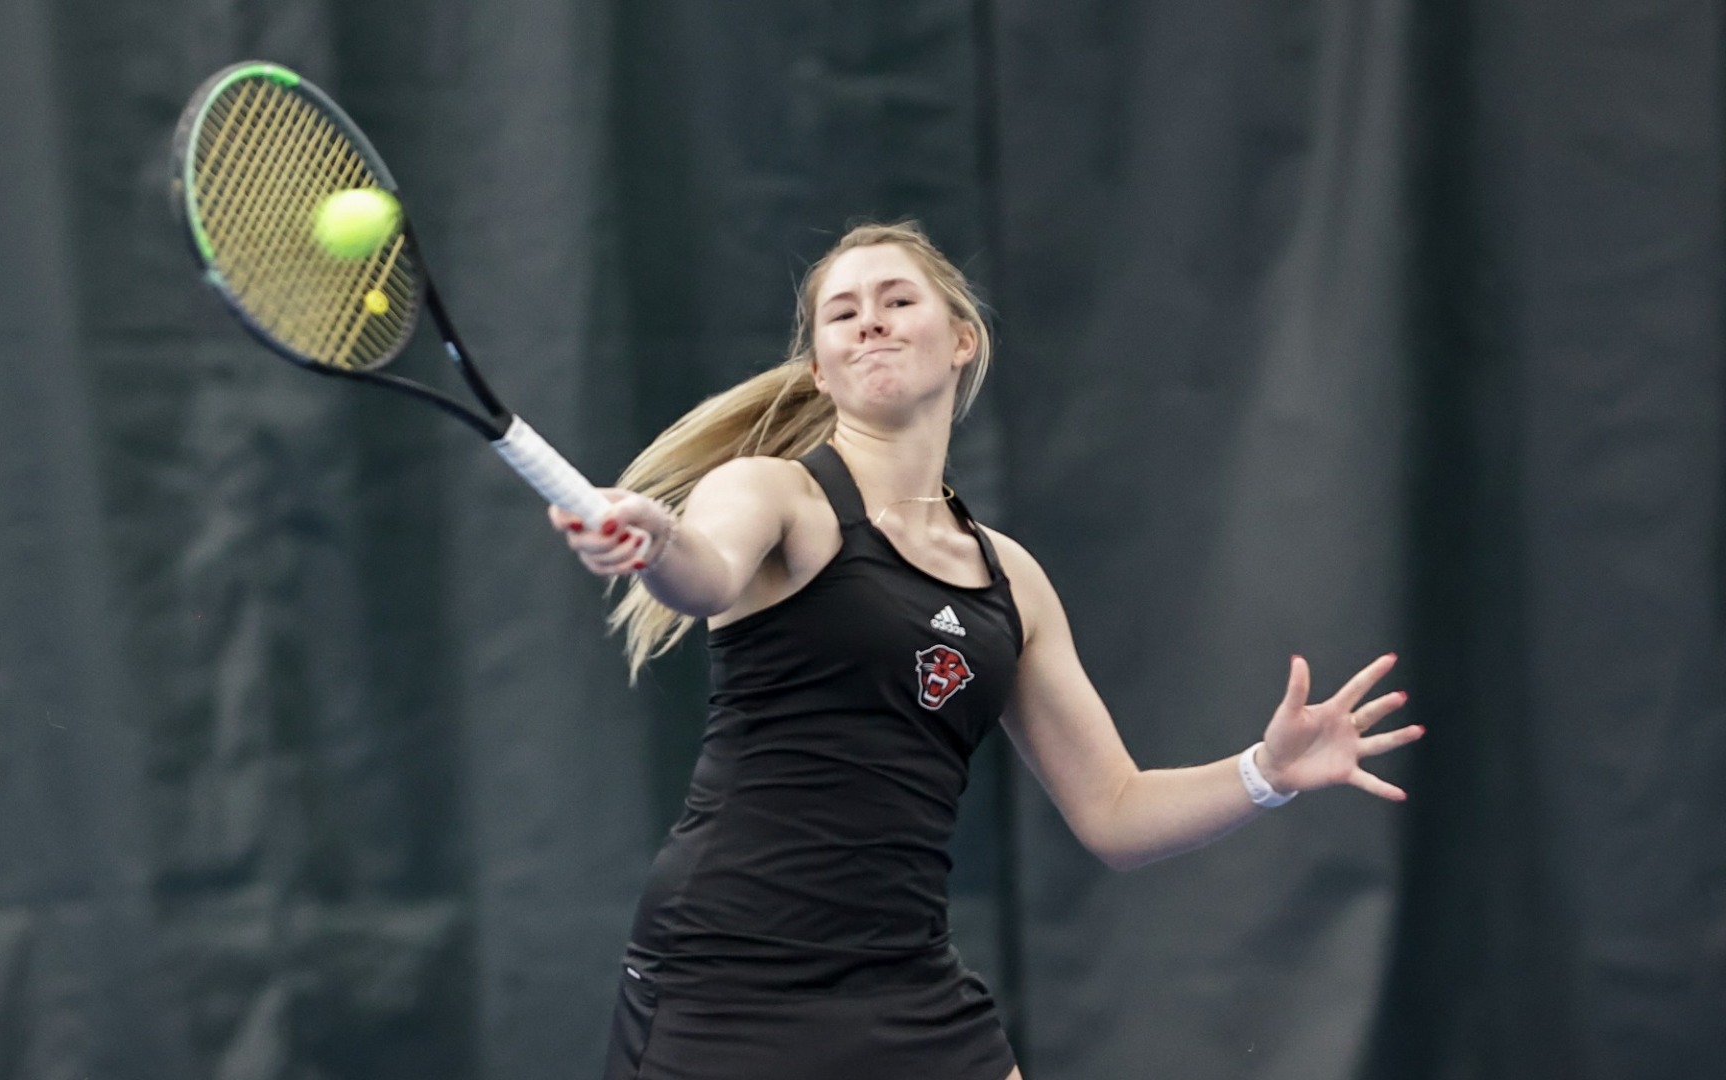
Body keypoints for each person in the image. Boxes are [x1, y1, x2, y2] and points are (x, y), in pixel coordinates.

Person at [549, 221, 1423, 1080]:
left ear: (962, 339)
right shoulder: (770, 493)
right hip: (728, 969)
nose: (872, 320)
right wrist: (658, 543)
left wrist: (1265, 772)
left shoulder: (1013, 581)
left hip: (906, 984)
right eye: (843, 312)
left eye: (898, 298)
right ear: (820, 366)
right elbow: (704, 574)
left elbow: (1116, 812)